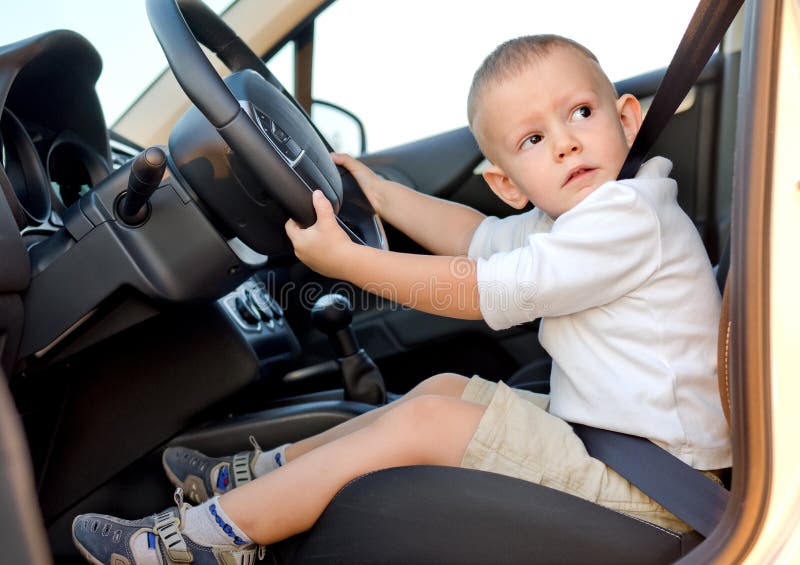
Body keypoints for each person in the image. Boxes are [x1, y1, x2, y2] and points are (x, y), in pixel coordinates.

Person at [72, 34, 731, 564]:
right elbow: (477, 239)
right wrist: (382, 194)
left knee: (426, 426)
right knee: (444, 388)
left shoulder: (627, 216)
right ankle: (249, 477)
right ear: (508, 183)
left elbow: (479, 287)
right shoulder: (577, 218)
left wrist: (350, 260)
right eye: (534, 139)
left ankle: (203, 539)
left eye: (580, 113)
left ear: (626, 116)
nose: (564, 141)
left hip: (659, 488)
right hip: (622, 441)